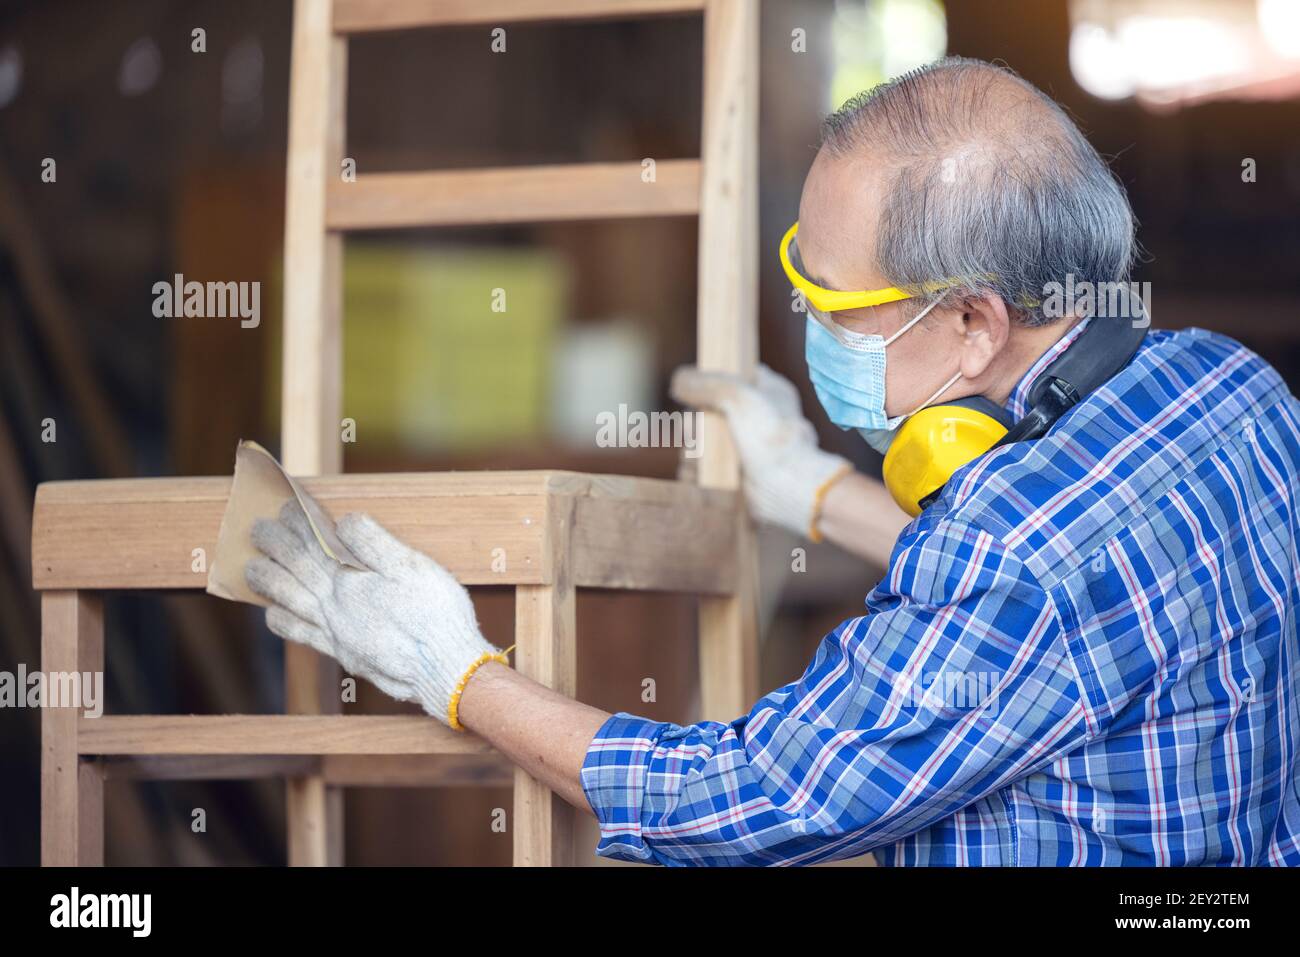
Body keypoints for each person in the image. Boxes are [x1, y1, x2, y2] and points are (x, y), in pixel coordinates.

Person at [246, 57, 1300, 866]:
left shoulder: (1009, 557)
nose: (807, 327)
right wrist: (819, 492)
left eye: (834, 307)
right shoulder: (1230, 385)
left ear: (975, 322)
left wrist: (452, 671)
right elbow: (1086, 601)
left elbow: (741, 801)